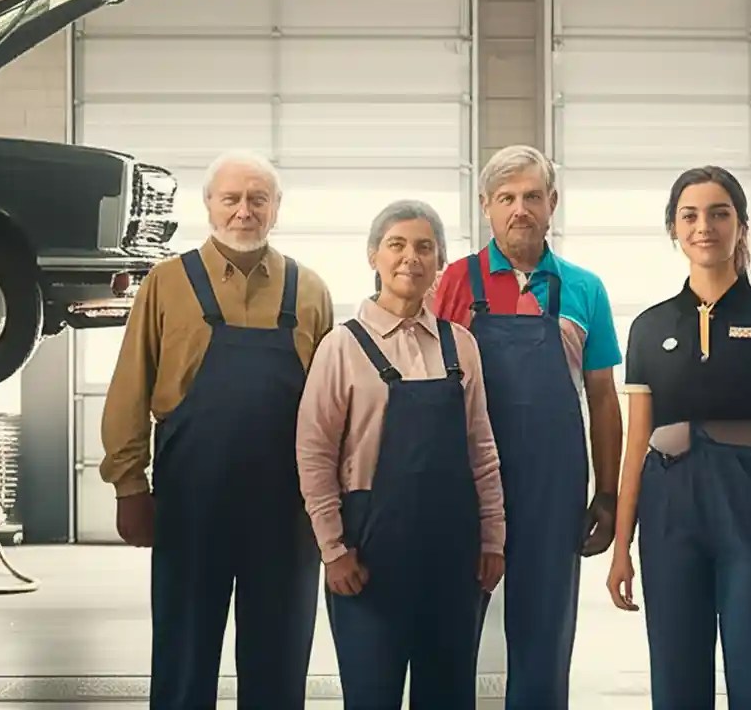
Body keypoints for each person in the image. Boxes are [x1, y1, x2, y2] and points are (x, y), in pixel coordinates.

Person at [99, 149, 334, 709]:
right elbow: (130, 386)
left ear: (276, 208)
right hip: (190, 505)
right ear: (209, 204)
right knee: (184, 655)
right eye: (231, 198)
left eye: (258, 199)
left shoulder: (311, 291)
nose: (244, 211)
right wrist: (129, 485)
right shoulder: (165, 282)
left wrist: (333, 507)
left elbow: (331, 411)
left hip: (287, 512)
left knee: (279, 661)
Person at [605, 166, 751, 709]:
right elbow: (637, 442)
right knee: (676, 678)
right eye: (690, 215)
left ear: (741, 226)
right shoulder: (649, 328)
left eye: (720, 213)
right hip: (669, 515)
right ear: (674, 229)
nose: (705, 226)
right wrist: (622, 546)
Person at [431, 144, 624, 708]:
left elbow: (604, 398)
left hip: (554, 483)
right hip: (466, 480)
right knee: (451, 625)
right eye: (507, 198)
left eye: (533, 197)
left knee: (545, 629)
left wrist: (607, 493)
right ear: (486, 207)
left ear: (552, 204)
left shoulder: (585, 288)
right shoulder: (455, 283)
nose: (521, 209)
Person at [296, 199, 506, 708]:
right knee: (372, 695)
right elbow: (314, 453)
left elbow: (481, 446)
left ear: (439, 262)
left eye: (424, 248)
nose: (410, 258)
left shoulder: (461, 346)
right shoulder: (341, 347)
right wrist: (333, 549)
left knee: (450, 695)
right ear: (373, 256)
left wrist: (493, 537)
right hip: (368, 553)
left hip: (454, 552)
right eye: (397, 245)